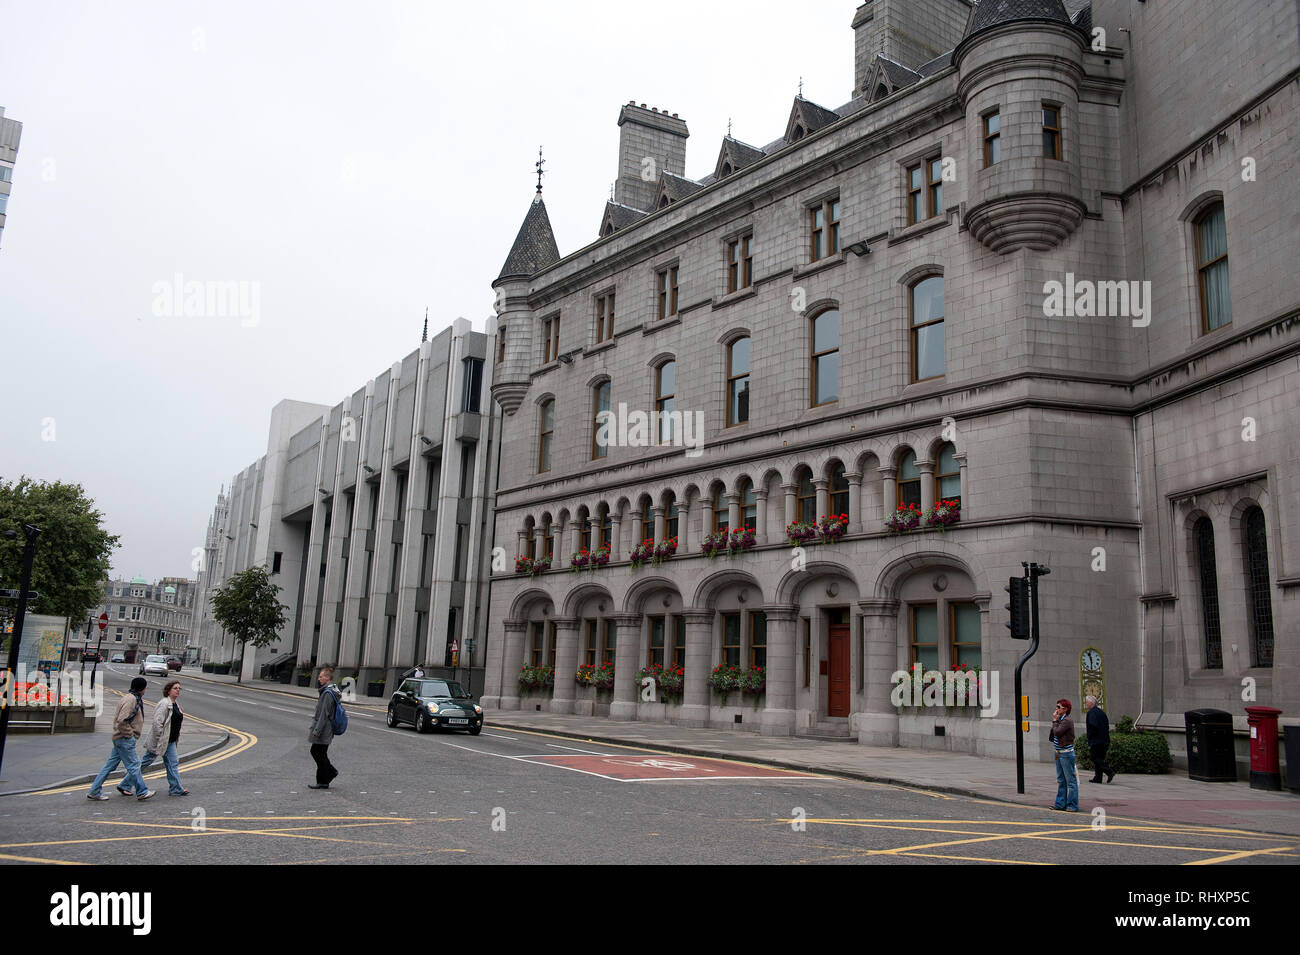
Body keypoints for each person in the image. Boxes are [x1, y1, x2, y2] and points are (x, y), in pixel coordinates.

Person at [87, 677, 153, 801]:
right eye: (145, 687)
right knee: (134, 764)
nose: (146, 689)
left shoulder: (131, 697)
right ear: (141, 688)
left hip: (120, 738)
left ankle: (94, 791)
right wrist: (130, 735)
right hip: (124, 739)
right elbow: (122, 720)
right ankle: (142, 791)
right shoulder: (131, 699)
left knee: (109, 766)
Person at [138, 680, 190, 796]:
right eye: (175, 688)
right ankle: (125, 784)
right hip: (161, 740)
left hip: (170, 741)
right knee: (145, 762)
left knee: (172, 764)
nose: (177, 690)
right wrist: (160, 738)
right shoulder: (164, 703)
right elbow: (157, 723)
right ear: (168, 690)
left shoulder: (175, 704)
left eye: (179, 688)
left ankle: (175, 788)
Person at [308, 666, 340, 789]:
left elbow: (324, 714)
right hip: (326, 728)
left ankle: (330, 773)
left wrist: (317, 730)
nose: (319, 678)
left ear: (327, 678)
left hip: (324, 729)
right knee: (320, 753)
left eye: (321, 676)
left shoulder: (327, 693)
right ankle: (323, 780)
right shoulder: (330, 691)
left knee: (317, 752)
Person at [1049, 698, 1078, 811]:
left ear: (1065, 709)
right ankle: (1060, 804)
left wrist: (1055, 721)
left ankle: (1072, 805)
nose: (1056, 709)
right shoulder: (1060, 719)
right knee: (1061, 780)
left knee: (1070, 780)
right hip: (1058, 753)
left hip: (1066, 754)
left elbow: (1057, 732)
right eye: (1056, 706)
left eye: (1058, 707)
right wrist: (1056, 720)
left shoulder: (1067, 720)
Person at [1084, 695, 1115, 783]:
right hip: (1105, 739)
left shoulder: (1092, 713)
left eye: (1086, 702)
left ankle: (1109, 771)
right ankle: (1098, 778)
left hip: (1096, 740)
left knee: (1094, 757)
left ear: (1091, 703)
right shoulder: (1101, 712)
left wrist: (1090, 735)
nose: (1086, 704)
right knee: (1100, 758)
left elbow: (1093, 725)